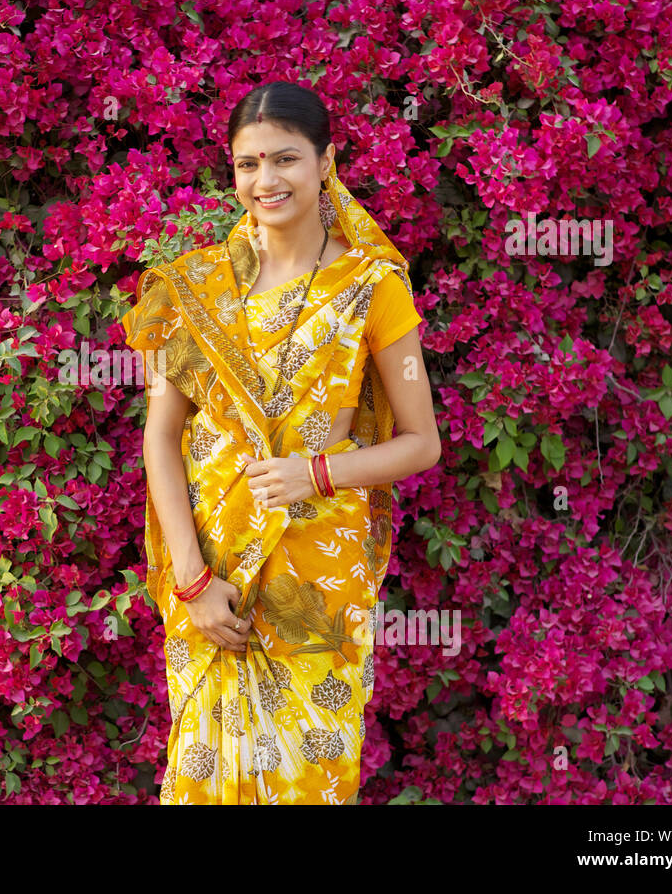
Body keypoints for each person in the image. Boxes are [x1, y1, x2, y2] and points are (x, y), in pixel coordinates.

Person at [119, 81, 442, 804]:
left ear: (327, 162)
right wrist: (193, 581)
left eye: (286, 160)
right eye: (247, 164)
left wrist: (317, 474)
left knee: (307, 781)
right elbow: (161, 440)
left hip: (316, 584)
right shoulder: (191, 290)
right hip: (214, 582)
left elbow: (422, 443)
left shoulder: (371, 287)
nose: (266, 181)